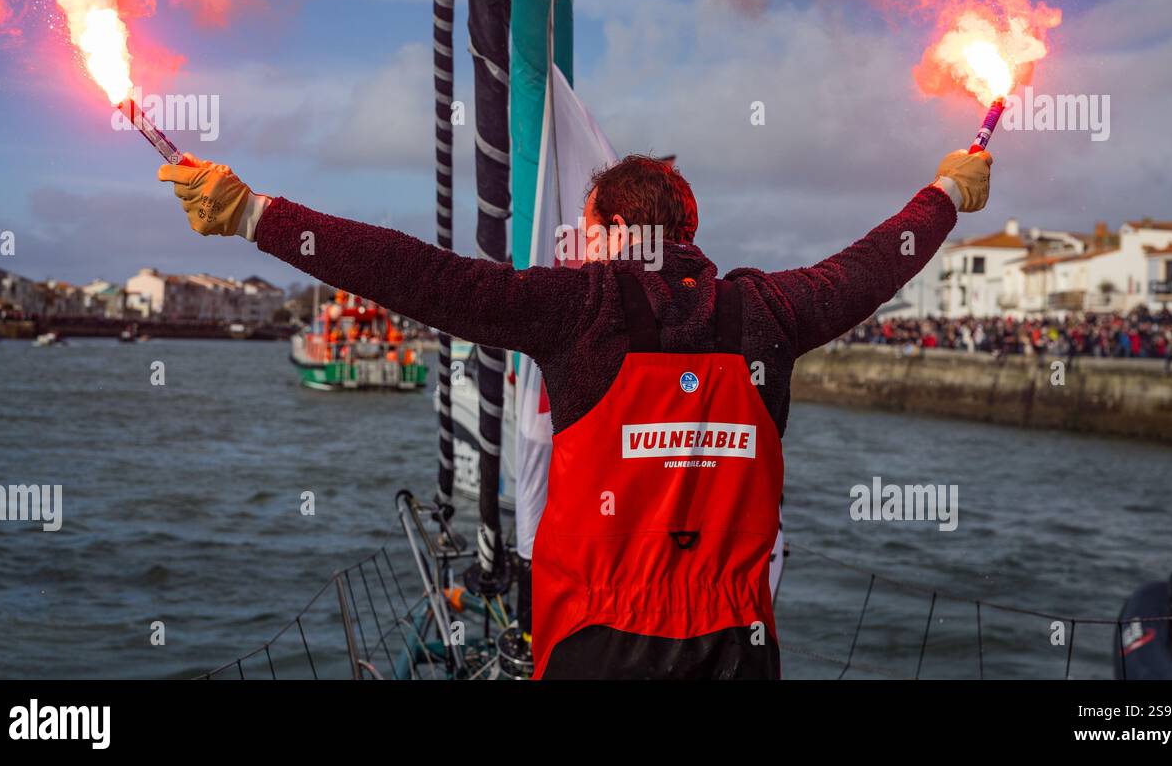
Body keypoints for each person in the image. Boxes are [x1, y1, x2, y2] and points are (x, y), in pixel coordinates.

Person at [158, 147, 991, 679]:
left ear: (617, 229)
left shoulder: (578, 309)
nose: (580, 248)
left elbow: (417, 274)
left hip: (599, 643)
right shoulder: (772, 311)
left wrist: (255, 216)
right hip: (740, 649)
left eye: (589, 233)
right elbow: (883, 259)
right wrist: (948, 190)